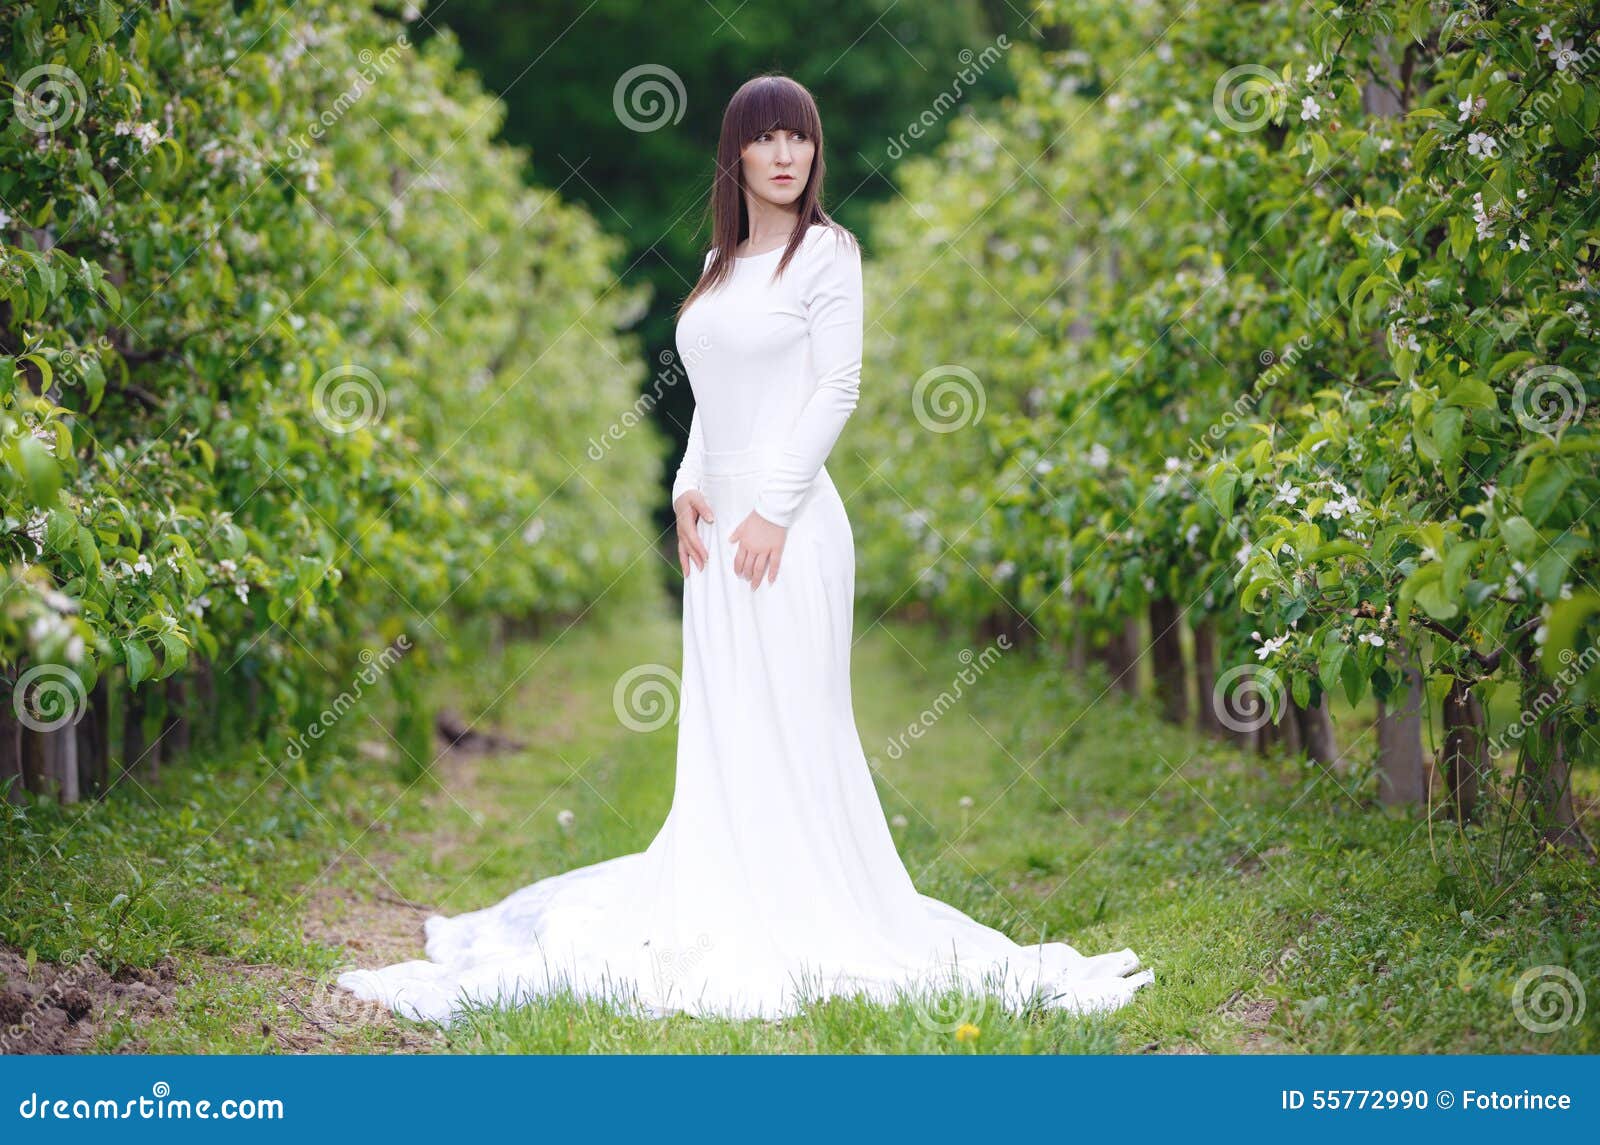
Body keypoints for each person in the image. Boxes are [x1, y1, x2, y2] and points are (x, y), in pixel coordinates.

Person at [336, 74, 1153, 1026]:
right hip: (718, 528)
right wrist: (687, 487)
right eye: (765, 138)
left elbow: (837, 386)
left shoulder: (827, 253)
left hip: (789, 526)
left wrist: (773, 507)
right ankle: (728, 881)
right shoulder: (719, 265)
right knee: (728, 720)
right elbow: (711, 399)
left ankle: (805, 901)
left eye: (799, 137)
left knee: (792, 714)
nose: (785, 154)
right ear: (736, 154)